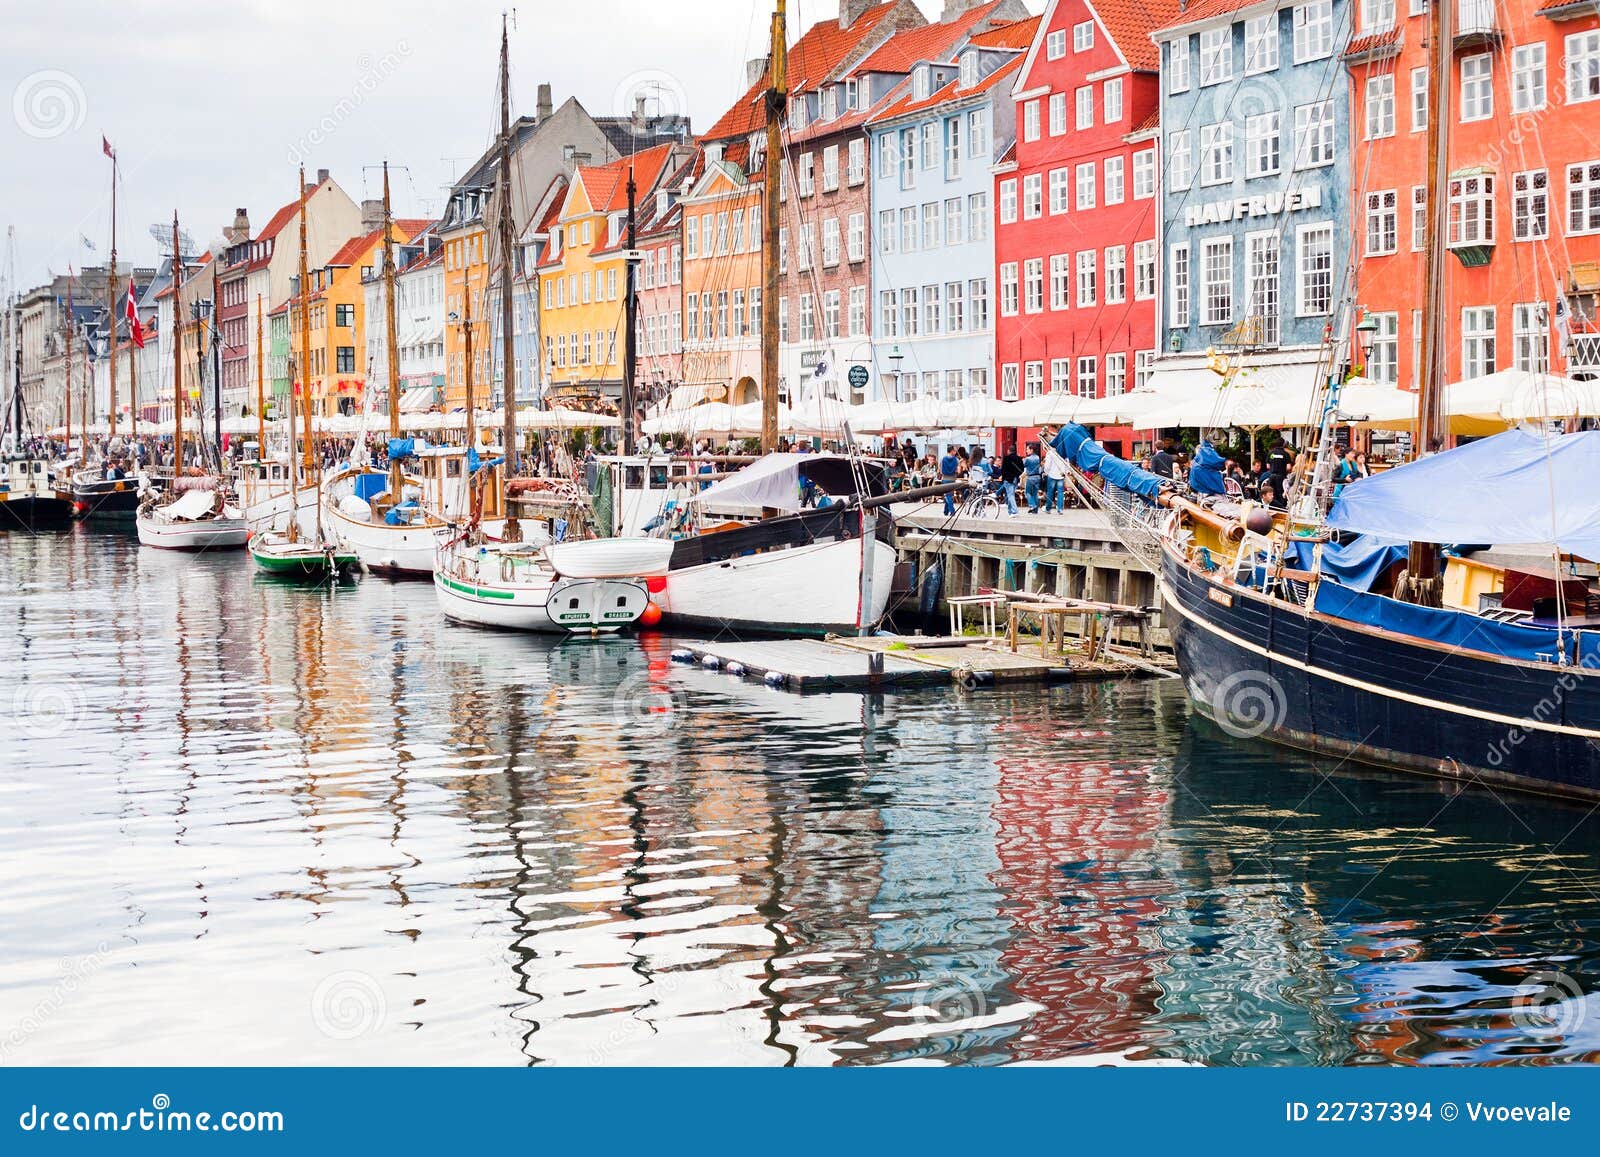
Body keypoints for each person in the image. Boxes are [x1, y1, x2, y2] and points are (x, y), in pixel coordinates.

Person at [1041, 426, 1069, 513]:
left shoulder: (1050, 453)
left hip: (1052, 475)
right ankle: (1060, 509)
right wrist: (1066, 471)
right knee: (1060, 492)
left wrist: (1045, 472)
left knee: (1050, 492)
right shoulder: (1063, 452)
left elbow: (1047, 465)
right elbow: (1067, 462)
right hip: (1061, 474)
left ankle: (1048, 508)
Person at [999, 445, 1025, 515]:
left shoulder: (1006, 458)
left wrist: (1003, 478)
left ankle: (1015, 511)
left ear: (1009, 451)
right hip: (1015, 479)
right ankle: (1010, 512)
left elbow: (1003, 470)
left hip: (1008, 479)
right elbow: (1022, 470)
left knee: (1010, 495)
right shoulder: (1019, 458)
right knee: (1011, 494)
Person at [939, 444, 962, 515]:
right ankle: (949, 511)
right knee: (949, 495)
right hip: (953, 479)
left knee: (947, 495)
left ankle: (949, 511)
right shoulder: (956, 460)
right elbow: (958, 471)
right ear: (951, 451)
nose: (955, 452)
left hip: (945, 479)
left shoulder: (942, 459)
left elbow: (940, 471)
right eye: (955, 451)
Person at [1023, 442, 1042, 513]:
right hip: (1037, 477)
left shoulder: (1027, 459)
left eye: (1027, 449)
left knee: (1027, 492)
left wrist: (1023, 461)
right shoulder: (1038, 457)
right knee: (1035, 493)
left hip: (1030, 477)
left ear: (1031, 450)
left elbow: (1023, 465)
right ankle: (1035, 510)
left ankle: (1032, 505)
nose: (1026, 451)